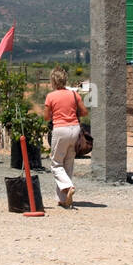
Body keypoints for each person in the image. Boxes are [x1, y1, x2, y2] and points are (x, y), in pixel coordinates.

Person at [43, 67, 86, 209]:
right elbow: (84, 112)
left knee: (55, 164)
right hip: (75, 129)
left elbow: (46, 117)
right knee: (68, 163)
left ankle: (68, 186)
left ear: (53, 81)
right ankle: (63, 199)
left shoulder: (51, 96)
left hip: (60, 130)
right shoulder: (74, 94)